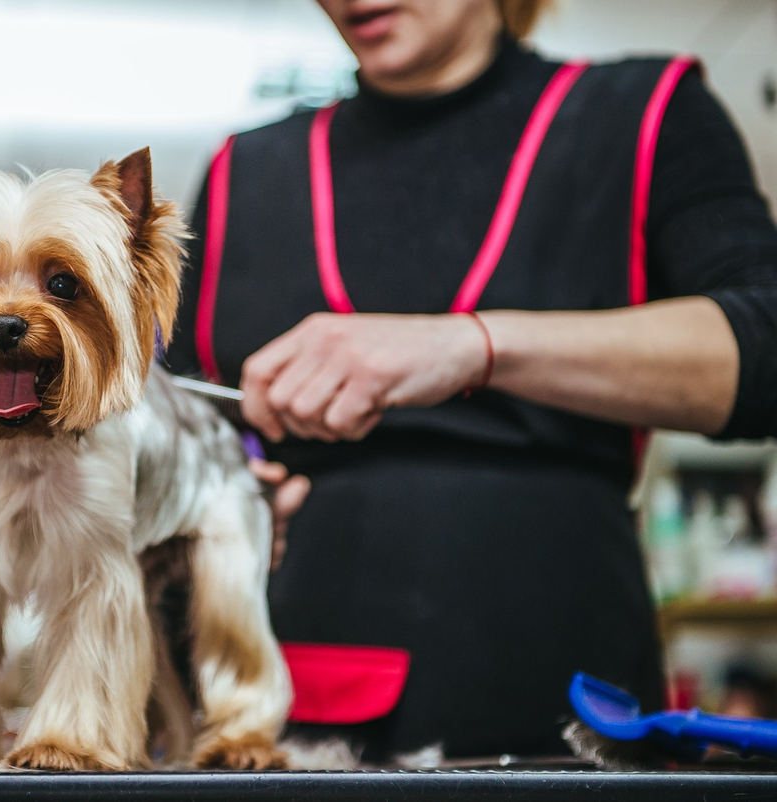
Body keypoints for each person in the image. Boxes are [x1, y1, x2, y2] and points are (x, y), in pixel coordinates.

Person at [164, 0, 777, 761]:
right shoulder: (245, 172)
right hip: (294, 710)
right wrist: (226, 500)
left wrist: (475, 345)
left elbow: (763, 350)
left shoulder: (644, 114)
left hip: (572, 703)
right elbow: (172, 433)